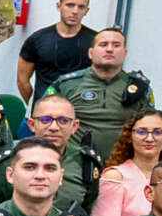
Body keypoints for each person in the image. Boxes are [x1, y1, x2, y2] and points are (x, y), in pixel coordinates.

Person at [46, 27, 153, 161]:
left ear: (125, 54)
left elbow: (152, 126)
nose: (109, 49)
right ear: (91, 53)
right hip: (74, 161)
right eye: (103, 44)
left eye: (116, 45)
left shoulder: (139, 88)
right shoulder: (66, 84)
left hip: (124, 162)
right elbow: (44, 122)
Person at [90, 110, 162, 216]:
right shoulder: (115, 176)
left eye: (157, 132)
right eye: (141, 132)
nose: (149, 138)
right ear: (130, 136)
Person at [16, 0, 93, 101]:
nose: (75, 11)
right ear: (59, 6)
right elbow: (22, 81)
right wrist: (37, 105)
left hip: (81, 106)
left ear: (86, 11)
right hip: (45, 107)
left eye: (81, 7)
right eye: (70, 5)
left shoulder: (95, 41)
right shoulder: (37, 39)